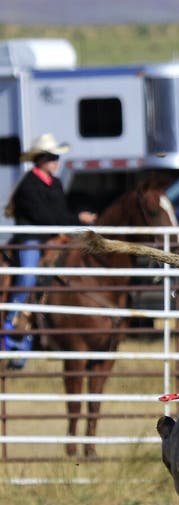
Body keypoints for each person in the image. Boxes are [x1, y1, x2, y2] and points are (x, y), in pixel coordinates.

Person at [3, 133, 96, 368]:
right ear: (41, 159)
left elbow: (60, 214)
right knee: (28, 276)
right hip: (31, 238)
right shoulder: (28, 185)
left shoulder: (54, 183)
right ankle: (11, 322)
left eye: (56, 157)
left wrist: (75, 220)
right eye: (52, 157)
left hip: (53, 237)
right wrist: (76, 218)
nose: (56, 161)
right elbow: (43, 217)